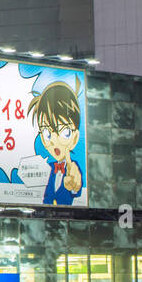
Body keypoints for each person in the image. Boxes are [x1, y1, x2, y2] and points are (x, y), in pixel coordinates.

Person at [27, 78, 84, 207]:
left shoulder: (73, 168)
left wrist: (74, 185)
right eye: (47, 133)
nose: (54, 141)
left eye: (64, 132)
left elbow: (77, 186)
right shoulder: (49, 167)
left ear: (74, 137)